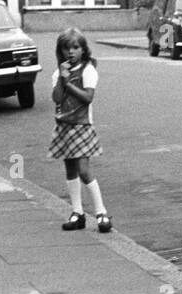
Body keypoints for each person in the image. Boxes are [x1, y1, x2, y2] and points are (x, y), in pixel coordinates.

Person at [50, 27, 112, 233]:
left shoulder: (88, 70)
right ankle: (77, 213)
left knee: (84, 170)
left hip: (82, 125)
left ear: (84, 50)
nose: (71, 52)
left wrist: (68, 84)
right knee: (70, 170)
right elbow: (57, 98)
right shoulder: (59, 73)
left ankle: (101, 212)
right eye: (66, 48)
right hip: (64, 126)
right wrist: (62, 78)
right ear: (61, 51)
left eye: (76, 47)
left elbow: (87, 98)